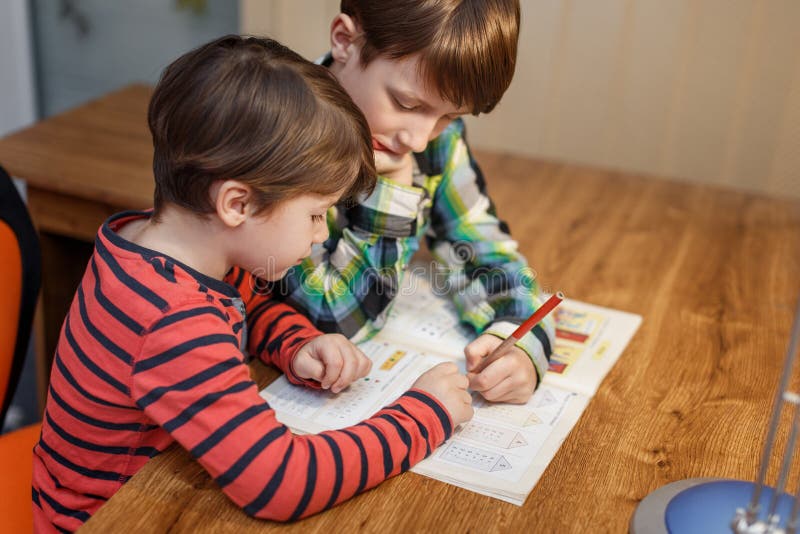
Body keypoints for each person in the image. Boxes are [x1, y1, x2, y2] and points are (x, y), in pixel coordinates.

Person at [31, 35, 472, 532]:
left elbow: (247, 306)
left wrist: (297, 343)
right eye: (315, 214)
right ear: (237, 204)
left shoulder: (158, 244)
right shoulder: (171, 318)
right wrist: (424, 415)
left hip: (151, 486)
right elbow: (281, 481)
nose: (322, 232)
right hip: (105, 518)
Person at [269, 0, 556, 405]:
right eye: (406, 104)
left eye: (450, 116)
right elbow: (331, 319)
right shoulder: (273, 131)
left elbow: (484, 252)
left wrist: (520, 341)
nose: (419, 140)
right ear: (345, 40)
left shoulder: (435, 142)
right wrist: (393, 190)